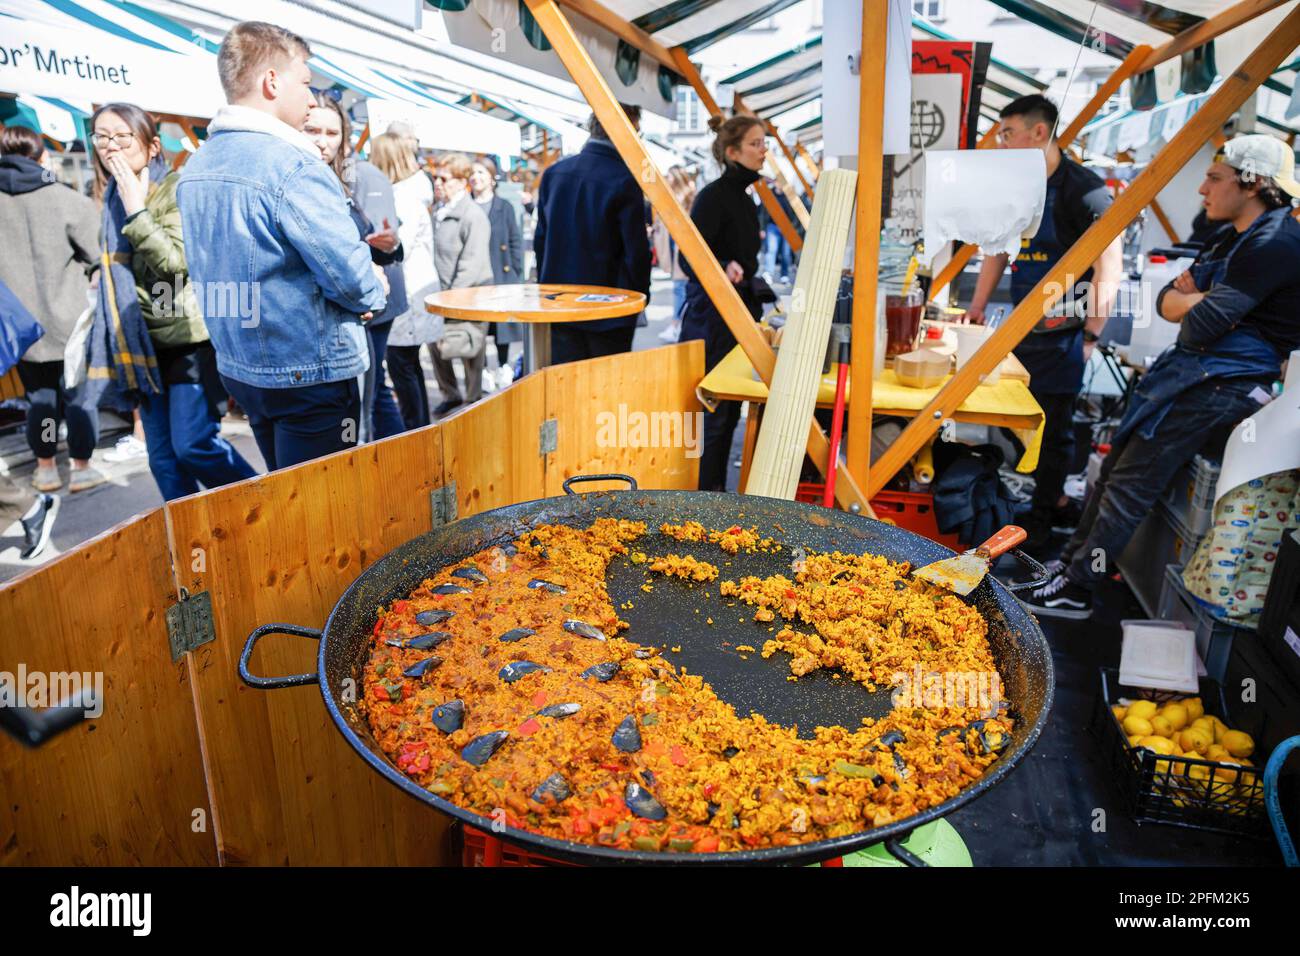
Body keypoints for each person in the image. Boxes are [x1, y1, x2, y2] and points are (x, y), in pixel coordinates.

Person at [1022, 135, 1300, 619]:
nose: (1203, 189)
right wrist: (1204, 301)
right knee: (1110, 474)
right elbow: (1166, 302)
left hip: (1221, 384)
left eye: (1214, 177)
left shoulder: (1276, 242)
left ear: (1252, 182)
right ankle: (1068, 567)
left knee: (1128, 488)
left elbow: (1198, 323)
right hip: (1193, 372)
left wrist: (1197, 301)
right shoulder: (1231, 235)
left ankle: (1080, 586)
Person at [177, 21, 386, 471]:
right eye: (306, 83)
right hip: (307, 370)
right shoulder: (292, 165)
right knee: (324, 505)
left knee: (287, 497)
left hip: (242, 367)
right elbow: (350, 279)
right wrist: (374, 289)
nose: (312, 100)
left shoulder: (197, 165)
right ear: (272, 81)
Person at [962, 94, 1123, 555]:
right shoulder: (1018, 187)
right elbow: (997, 248)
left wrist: (1091, 334)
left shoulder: (1085, 190)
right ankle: (1015, 509)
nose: (1001, 144)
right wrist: (977, 307)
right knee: (1012, 422)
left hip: (1065, 333)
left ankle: (1042, 524)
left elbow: (1109, 265)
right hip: (1020, 328)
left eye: (1007, 134)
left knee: (1054, 431)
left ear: (1039, 132)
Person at [89, 102, 257, 501]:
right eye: (102, 136)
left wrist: (137, 211)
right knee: (162, 459)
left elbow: (176, 265)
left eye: (122, 136)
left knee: (193, 445)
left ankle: (258, 504)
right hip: (143, 345)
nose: (111, 146)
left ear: (151, 147)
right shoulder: (112, 196)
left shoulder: (174, 188)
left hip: (187, 338)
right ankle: (192, 534)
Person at [0, 124, 105, 493]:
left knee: (40, 400)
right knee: (78, 397)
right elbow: (97, 255)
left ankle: (46, 466)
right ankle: (81, 466)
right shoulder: (66, 199)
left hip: (20, 325)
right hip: (70, 319)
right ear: (40, 155)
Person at [303, 94, 405, 442]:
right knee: (363, 407)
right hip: (332, 320)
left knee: (365, 408)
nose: (322, 141)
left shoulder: (345, 178)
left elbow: (375, 237)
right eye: (313, 130)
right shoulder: (304, 179)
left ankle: (401, 459)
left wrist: (387, 248)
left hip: (361, 311)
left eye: (332, 133)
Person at [679, 115, 771, 492]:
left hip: (736, 316)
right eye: (755, 144)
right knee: (714, 413)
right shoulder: (714, 196)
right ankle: (707, 496)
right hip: (713, 320)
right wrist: (722, 265)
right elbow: (688, 258)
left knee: (729, 409)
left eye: (764, 143)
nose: (763, 151)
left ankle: (714, 491)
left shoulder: (744, 197)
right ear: (733, 152)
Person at [533, 105, 652, 364]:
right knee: (606, 383)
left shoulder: (554, 174)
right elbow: (636, 252)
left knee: (566, 380)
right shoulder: (624, 179)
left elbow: (541, 240)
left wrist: (546, 289)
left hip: (560, 303)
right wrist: (640, 296)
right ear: (624, 131)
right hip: (610, 307)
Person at [371, 131, 439, 431]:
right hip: (411, 290)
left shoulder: (404, 196)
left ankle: (415, 432)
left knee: (403, 367)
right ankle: (419, 429)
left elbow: (397, 246)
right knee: (407, 366)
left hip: (408, 291)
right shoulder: (408, 192)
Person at [428, 153, 493, 415]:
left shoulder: (472, 215)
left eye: (444, 179)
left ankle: (473, 399)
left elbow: (471, 264)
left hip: (469, 295)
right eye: (436, 178)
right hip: (440, 294)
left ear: (461, 181)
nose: (438, 183)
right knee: (436, 344)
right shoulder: (438, 210)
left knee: (470, 347)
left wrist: (450, 299)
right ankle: (451, 394)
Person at [470, 156, 523, 390]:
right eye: (473, 173)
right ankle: (481, 370)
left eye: (481, 172)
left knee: (502, 326)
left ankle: (503, 367)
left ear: (492, 178)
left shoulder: (505, 207)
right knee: (479, 327)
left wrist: (515, 271)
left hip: (502, 274)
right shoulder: (467, 206)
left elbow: (515, 241)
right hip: (476, 277)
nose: (476, 177)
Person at [652, 165, 696, 344]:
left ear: (677, 177)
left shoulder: (688, 197)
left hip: (682, 246)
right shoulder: (671, 195)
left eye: (669, 176)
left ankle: (676, 324)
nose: (667, 179)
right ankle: (678, 324)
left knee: (679, 286)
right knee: (679, 286)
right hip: (672, 244)